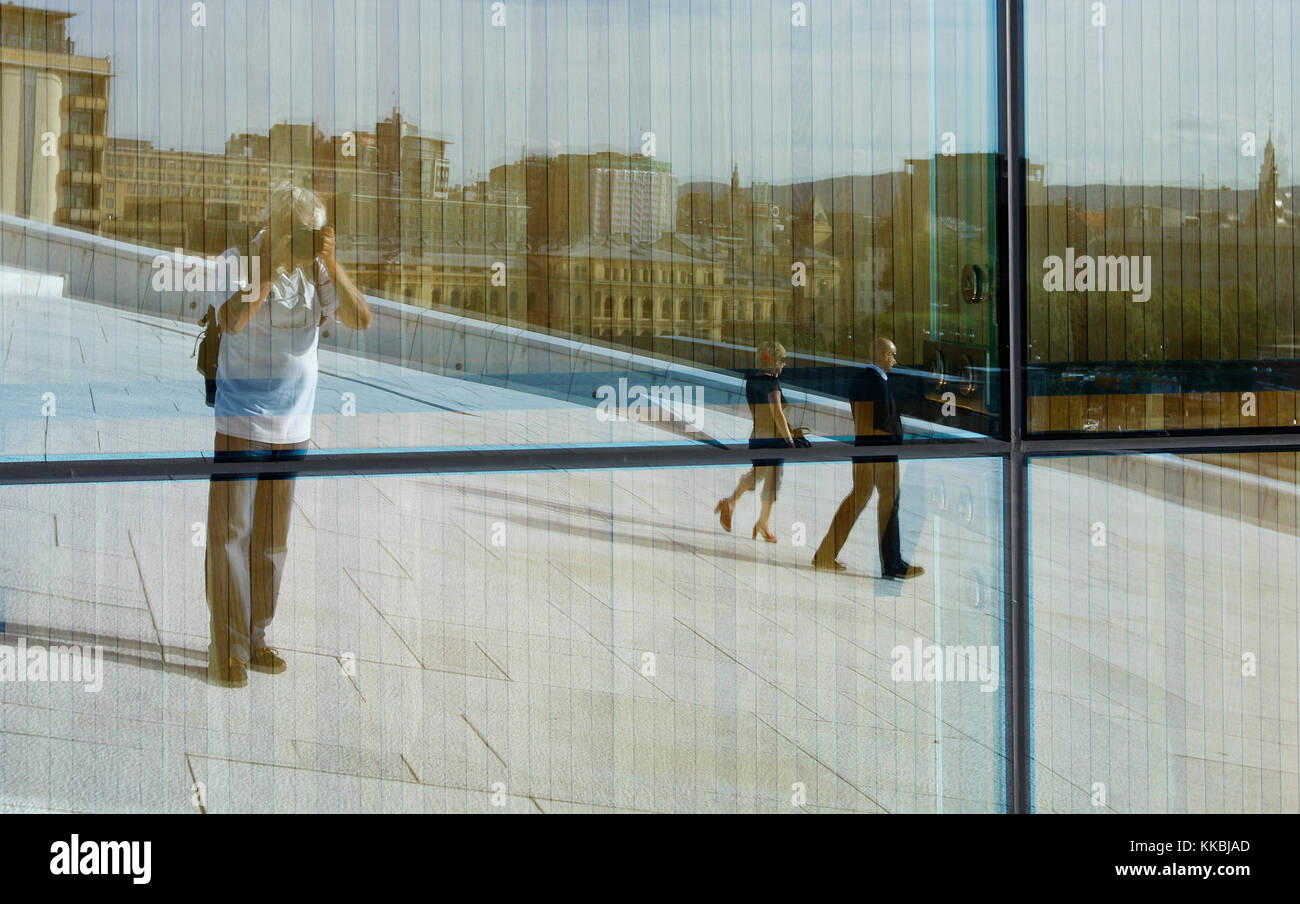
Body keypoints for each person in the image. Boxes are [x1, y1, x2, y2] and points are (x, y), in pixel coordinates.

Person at [207, 182, 373, 687]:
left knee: (272, 542)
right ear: (278, 224)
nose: (306, 242)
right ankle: (228, 648)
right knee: (231, 536)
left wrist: (332, 261)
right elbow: (232, 320)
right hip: (242, 421)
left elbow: (361, 317)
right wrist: (273, 267)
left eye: (314, 233)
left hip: (294, 428)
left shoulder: (318, 270)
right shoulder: (235, 260)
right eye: (301, 232)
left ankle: (255, 638)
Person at [811, 337, 923, 579]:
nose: (894, 359)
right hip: (878, 453)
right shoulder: (876, 383)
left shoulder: (864, 380)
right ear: (883, 355)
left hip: (868, 451)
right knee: (887, 504)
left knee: (857, 502)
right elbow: (876, 422)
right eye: (892, 355)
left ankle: (825, 553)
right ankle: (892, 563)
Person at [715, 341, 797, 543]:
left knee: (758, 473)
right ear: (774, 361)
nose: (784, 365)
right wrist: (790, 440)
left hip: (757, 435)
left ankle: (731, 503)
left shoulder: (752, 380)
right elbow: (777, 414)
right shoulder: (772, 386)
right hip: (773, 438)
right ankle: (763, 523)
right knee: (772, 480)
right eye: (782, 360)